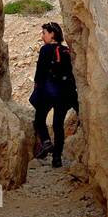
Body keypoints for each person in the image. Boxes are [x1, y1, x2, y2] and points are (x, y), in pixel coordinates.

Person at [29, 22, 78, 168]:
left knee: (39, 118)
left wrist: (37, 85)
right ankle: (57, 159)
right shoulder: (66, 50)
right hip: (65, 94)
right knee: (58, 125)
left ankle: (46, 142)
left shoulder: (45, 49)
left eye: (44, 33)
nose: (42, 36)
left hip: (49, 92)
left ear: (52, 34)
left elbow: (40, 71)